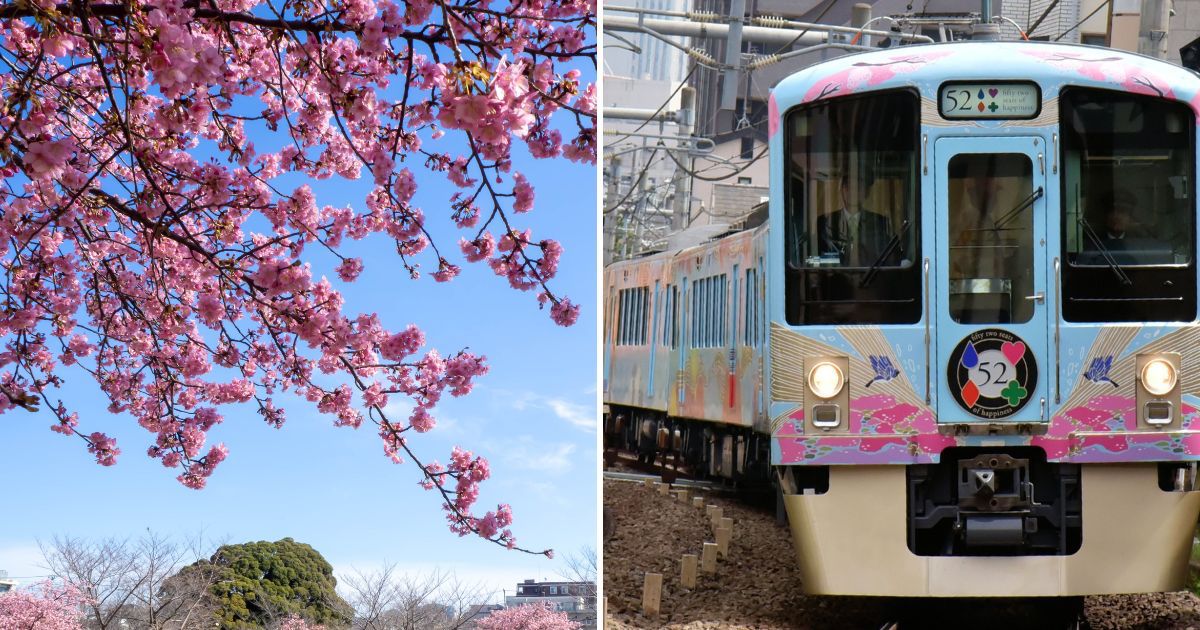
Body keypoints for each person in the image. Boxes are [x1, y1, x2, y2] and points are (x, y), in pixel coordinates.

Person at [816, 177, 894, 266]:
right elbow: (815, 258)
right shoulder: (824, 221)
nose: (853, 191)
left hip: (870, 277)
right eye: (848, 187)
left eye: (858, 187)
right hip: (835, 278)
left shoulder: (880, 222)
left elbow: (890, 257)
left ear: (866, 192)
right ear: (841, 190)